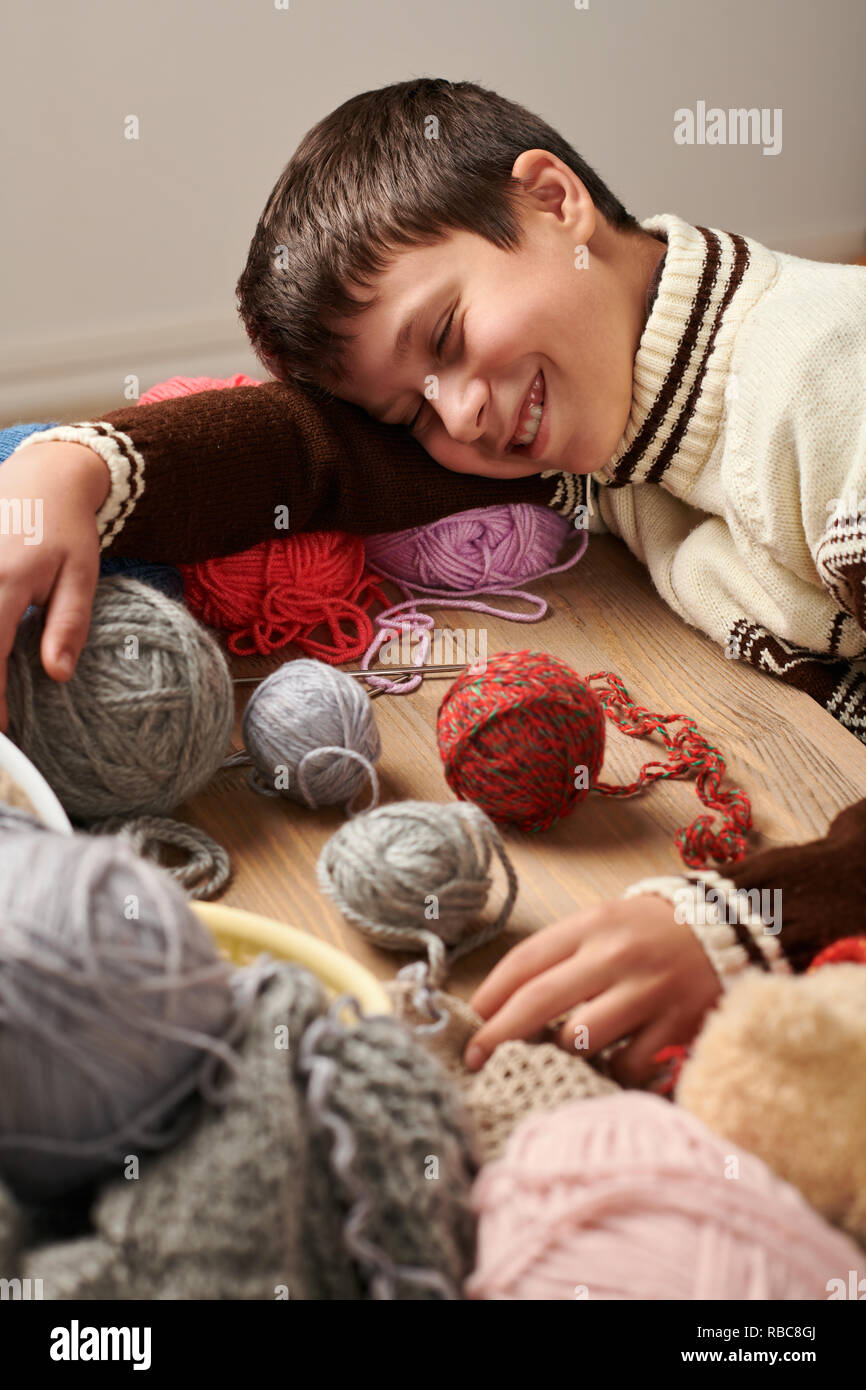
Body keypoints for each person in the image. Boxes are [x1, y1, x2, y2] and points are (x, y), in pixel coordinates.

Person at [2, 78, 864, 1083]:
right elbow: (309, 454)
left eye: (445, 337)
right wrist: (76, 466)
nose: (456, 416)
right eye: (411, 413)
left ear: (553, 201)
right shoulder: (601, 402)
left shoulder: (820, 379)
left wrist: (758, 917)